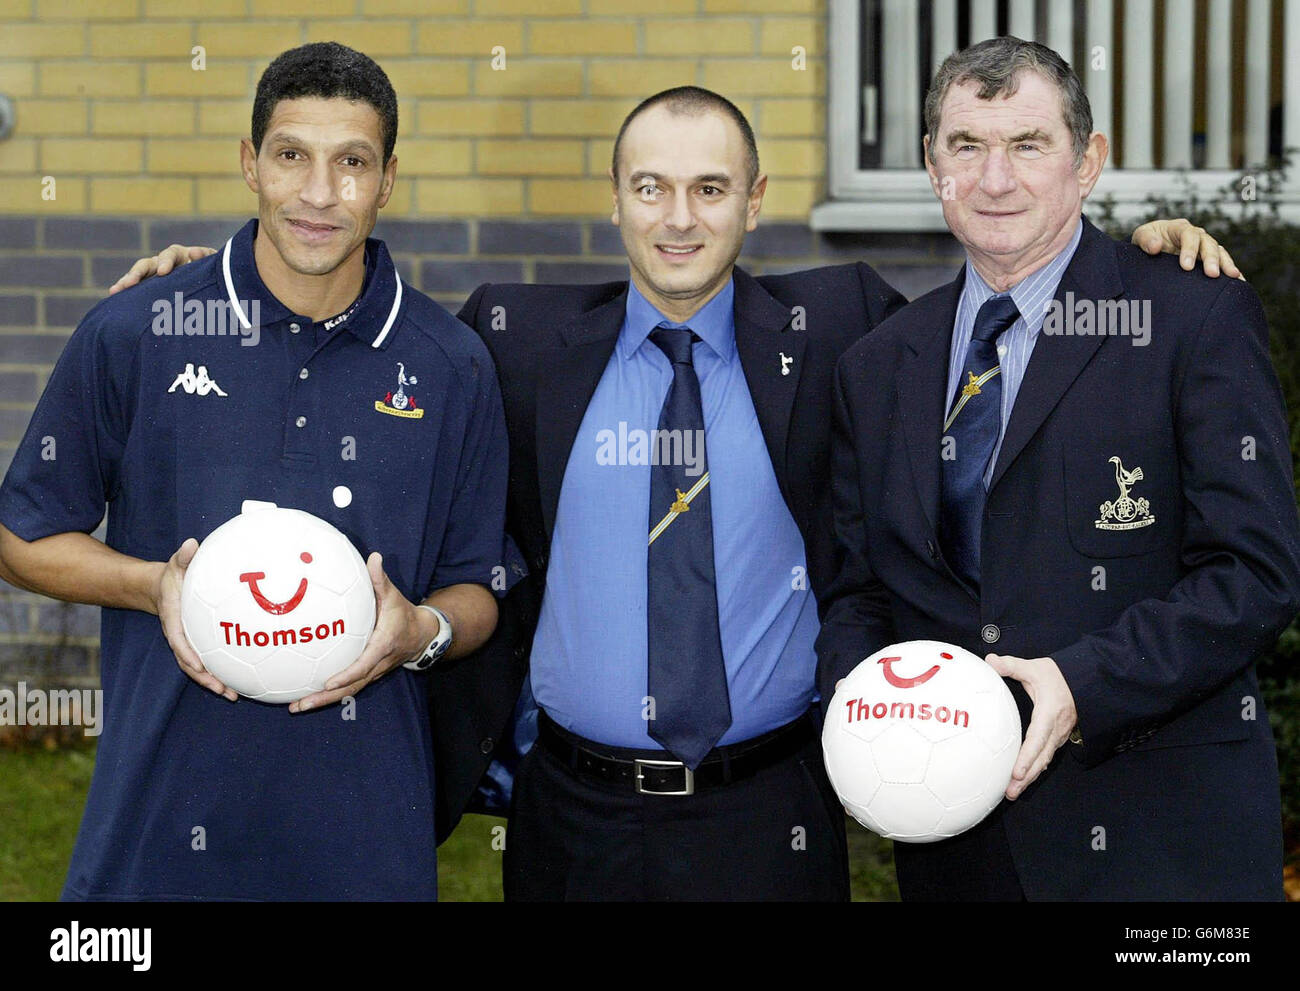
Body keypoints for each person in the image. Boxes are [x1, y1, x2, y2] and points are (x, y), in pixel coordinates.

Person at [114, 86, 1235, 902]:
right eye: (650, 187)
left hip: (770, 810)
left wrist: (1128, 257)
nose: (679, 217)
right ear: (614, 199)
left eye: (709, 188)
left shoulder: (844, 324)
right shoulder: (516, 337)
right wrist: (221, 275)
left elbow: (1001, 297)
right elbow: (356, 315)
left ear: (755, 201)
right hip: (571, 816)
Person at [0, 42, 512, 901]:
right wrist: (153, 584)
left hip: (364, 848)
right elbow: (21, 537)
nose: (319, 192)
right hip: (155, 841)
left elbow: (479, 589)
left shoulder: (451, 364)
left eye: (351, 162)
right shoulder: (140, 330)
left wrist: (416, 631)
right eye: (290, 156)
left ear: (387, 180)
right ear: (250, 164)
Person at [816, 37, 1300, 900]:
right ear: (934, 167)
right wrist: (860, 724)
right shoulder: (881, 361)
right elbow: (860, 591)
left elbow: (1253, 573)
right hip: (960, 847)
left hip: (1163, 845)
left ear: (1089, 162)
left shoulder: (1192, 316)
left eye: (1029, 144)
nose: (995, 178)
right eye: (968, 145)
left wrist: (1084, 681)